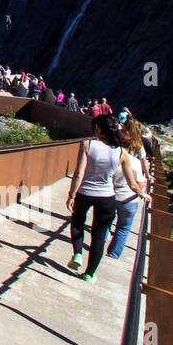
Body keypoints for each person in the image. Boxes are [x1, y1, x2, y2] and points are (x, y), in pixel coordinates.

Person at [66, 115, 142, 281]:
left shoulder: (88, 144)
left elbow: (79, 173)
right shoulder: (122, 153)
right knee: (99, 235)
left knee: (77, 223)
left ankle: (78, 254)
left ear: (99, 129)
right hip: (107, 197)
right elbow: (132, 182)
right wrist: (143, 193)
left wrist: (71, 194)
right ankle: (89, 274)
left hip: (85, 193)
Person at [107, 115, 152, 259]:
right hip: (129, 197)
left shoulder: (115, 147)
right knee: (123, 228)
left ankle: (101, 241)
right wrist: (143, 189)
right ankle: (113, 254)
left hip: (111, 192)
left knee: (106, 220)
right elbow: (138, 181)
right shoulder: (139, 149)